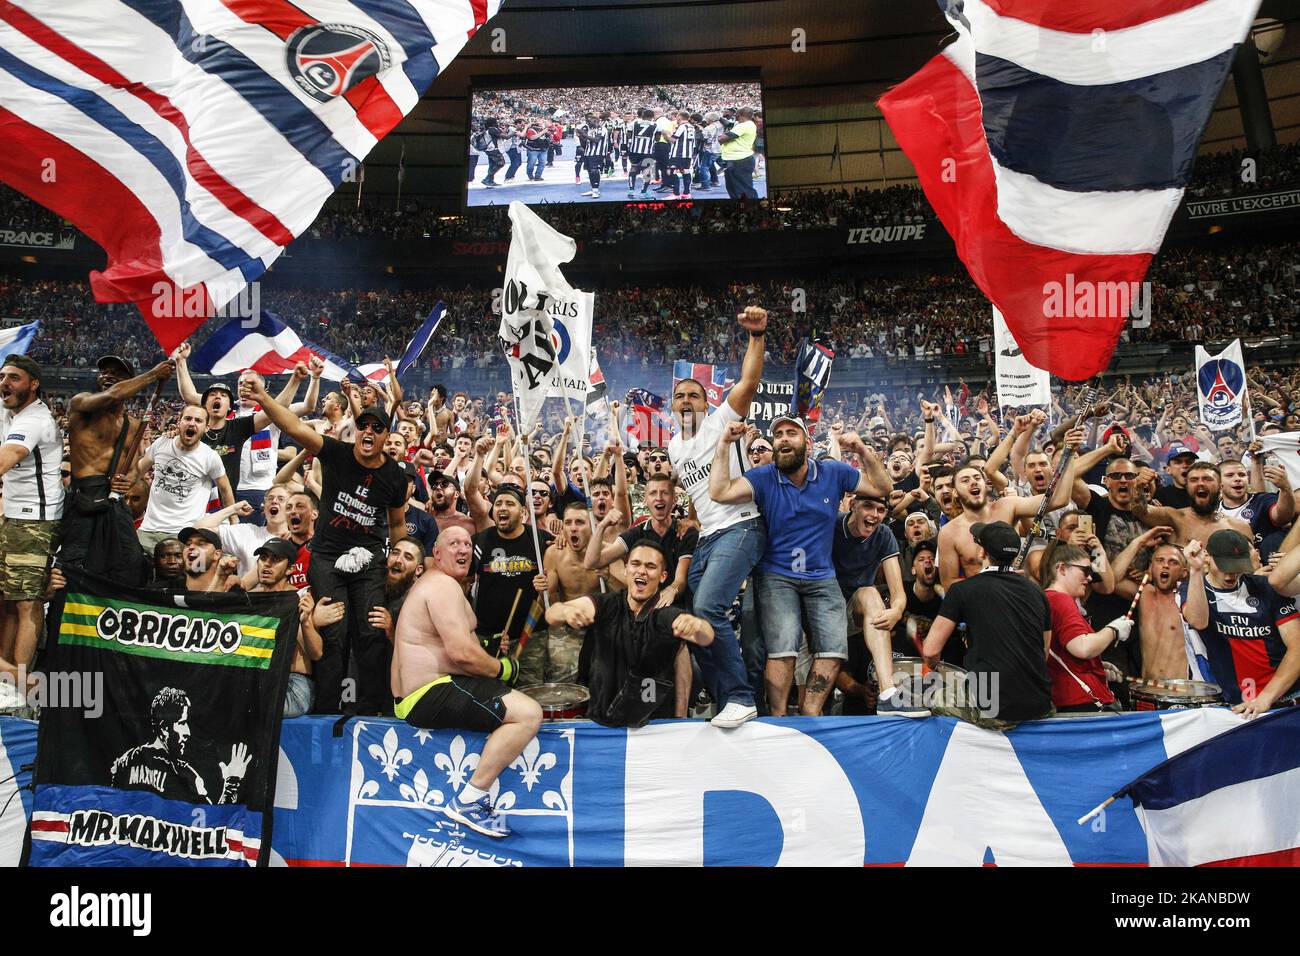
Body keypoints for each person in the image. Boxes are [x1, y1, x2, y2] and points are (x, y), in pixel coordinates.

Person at [708, 417, 892, 716]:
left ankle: (810, 715)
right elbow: (719, 492)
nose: (782, 439)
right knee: (782, 651)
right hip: (777, 575)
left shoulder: (833, 471)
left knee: (833, 652)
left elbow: (883, 486)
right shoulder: (765, 476)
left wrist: (862, 450)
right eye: (777, 434)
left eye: (791, 433)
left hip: (821, 576)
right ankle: (779, 718)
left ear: (807, 443)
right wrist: (724, 444)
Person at [250, 382, 408, 716]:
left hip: (368, 561)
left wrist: (397, 556)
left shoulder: (394, 476)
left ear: (384, 437)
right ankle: (325, 710)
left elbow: (396, 525)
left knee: (371, 631)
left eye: (377, 428)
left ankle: (372, 710)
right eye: (363, 425)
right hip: (327, 559)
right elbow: (293, 426)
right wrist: (264, 397)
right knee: (334, 634)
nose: (368, 431)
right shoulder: (336, 452)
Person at [392, 526, 543, 839]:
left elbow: (452, 648)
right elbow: (461, 654)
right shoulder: (443, 586)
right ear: (437, 553)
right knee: (529, 713)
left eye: (466, 544)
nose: (462, 549)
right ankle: (471, 799)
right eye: (453, 543)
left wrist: (487, 651)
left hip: (424, 690)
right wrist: (503, 669)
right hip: (428, 692)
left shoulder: (441, 586)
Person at [664, 304, 769, 728]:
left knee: (708, 608)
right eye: (679, 396)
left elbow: (749, 380)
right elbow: (695, 487)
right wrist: (692, 517)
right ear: (672, 407)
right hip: (708, 537)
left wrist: (757, 336)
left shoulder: (723, 419)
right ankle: (726, 696)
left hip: (742, 526)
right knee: (694, 622)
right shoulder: (673, 446)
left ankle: (741, 697)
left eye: (694, 395)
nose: (686, 400)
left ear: (707, 403)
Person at [548, 540, 714, 727]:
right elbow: (552, 614)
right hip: (603, 722)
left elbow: (705, 635)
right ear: (626, 569)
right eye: (635, 564)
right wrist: (566, 612)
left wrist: (696, 625)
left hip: (653, 725)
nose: (641, 571)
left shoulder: (666, 614)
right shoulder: (607, 604)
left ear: (662, 576)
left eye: (650, 566)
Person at [922, 522, 1055, 729]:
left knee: (924, 695)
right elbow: (1043, 652)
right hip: (1039, 705)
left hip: (992, 708)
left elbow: (930, 650)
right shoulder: (1037, 592)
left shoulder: (962, 590)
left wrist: (933, 667)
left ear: (982, 551)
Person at [62, 354, 173, 584]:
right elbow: (114, 394)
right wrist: (154, 374)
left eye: (116, 373)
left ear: (129, 380)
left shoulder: (132, 424)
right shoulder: (81, 404)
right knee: (76, 568)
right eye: (105, 372)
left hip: (114, 502)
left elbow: (133, 469)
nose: (108, 375)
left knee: (130, 565)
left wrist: (127, 481)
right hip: (84, 498)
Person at [1180, 532, 1299, 716]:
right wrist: (1195, 570)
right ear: (1208, 558)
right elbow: (1198, 621)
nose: (1231, 574)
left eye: (1237, 567)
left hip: (1285, 699)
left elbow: (1297, 647)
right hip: (1237, 706)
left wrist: (1266, 698)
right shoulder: (1194, 588)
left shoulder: (1264, 586)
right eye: (1224, 566)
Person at [0, 354, 65, 680]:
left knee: (27, 602)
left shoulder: (34, 420)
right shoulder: (13, 414)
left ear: (33, 384)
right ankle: (5, 678)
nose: (4, 384)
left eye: (13, 378)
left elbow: (7, 458)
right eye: (2, 377)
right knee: (7, 601)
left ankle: (18, 684)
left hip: (35, 521)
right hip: (12, 517)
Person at [830, 492, 915, 714]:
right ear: (852, 505)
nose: (874, 515)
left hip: (855, 611)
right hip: (821, 609)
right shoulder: (832, 525)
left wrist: (896, 611)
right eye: (868, 506)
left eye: (881, 510)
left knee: (869, 593)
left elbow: (898, 593)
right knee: (811, 696)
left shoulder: (884, 534)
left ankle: (888, 694)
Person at [1043, 544, 1130, 713]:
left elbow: (1063, 653)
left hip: (1069, 699)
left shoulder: (1048, 598)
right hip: (1080, 702)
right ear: (1061, 568)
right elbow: (1083, 648)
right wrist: (1113, 630)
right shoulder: (1061, 600)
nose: (1090, 578)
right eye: (1085, 571)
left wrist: (1095, 665)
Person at [136, 404, 234, 553]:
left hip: (185, 533)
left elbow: (225, 491)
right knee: (135, 572)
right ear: (178, 422)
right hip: (148, 530)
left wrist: (234, 524)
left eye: (198, 420)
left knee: (191, 573)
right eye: (187, 418)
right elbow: (137, 471)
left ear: (206, 428)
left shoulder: (209, 457)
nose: (192, 423)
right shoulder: (162, 443)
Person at [249, 538, 325, 718]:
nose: (267, 564)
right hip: (256, 679)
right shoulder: (250, 600)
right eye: (263, 558)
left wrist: (305, 621)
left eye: (275, 560)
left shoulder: (300, 598)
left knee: (248, 708)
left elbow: (316, 653)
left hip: (293, 684)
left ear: (290, 569)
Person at [472, 486, 552, 657]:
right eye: (498, 503)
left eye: (510, 503)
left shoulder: (541, 540)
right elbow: (465, 583)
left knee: (530, 685)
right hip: (487, 636)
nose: (502, 508)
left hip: (531, 637)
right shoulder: (479, 542)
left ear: (523, 511)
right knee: (489, 683)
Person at [1132, 461, 1253, 546]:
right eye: (1194, 480)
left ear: (1220, 487)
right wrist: (1138, 488)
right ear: (1187, 487)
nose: (1200, 483)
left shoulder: (1238, 527)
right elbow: (1140, 511)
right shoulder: (1173, 518)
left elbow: (1250, 567)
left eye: (1207, 479)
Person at [176, 527, 240, 593]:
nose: (191, 547)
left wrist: (221, 579)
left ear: (216, 555)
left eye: (201, 544)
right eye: (188, 544)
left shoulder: (232, 591)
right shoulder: (170, 588)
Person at [719, 106, 758, 200]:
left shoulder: (743, 125)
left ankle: (749, 209)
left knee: (741, 189)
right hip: (740, 159)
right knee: (737, 188)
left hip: (739, 160)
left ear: (739, 115)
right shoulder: (749, 124)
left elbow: (722, 139)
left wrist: (721, 136)